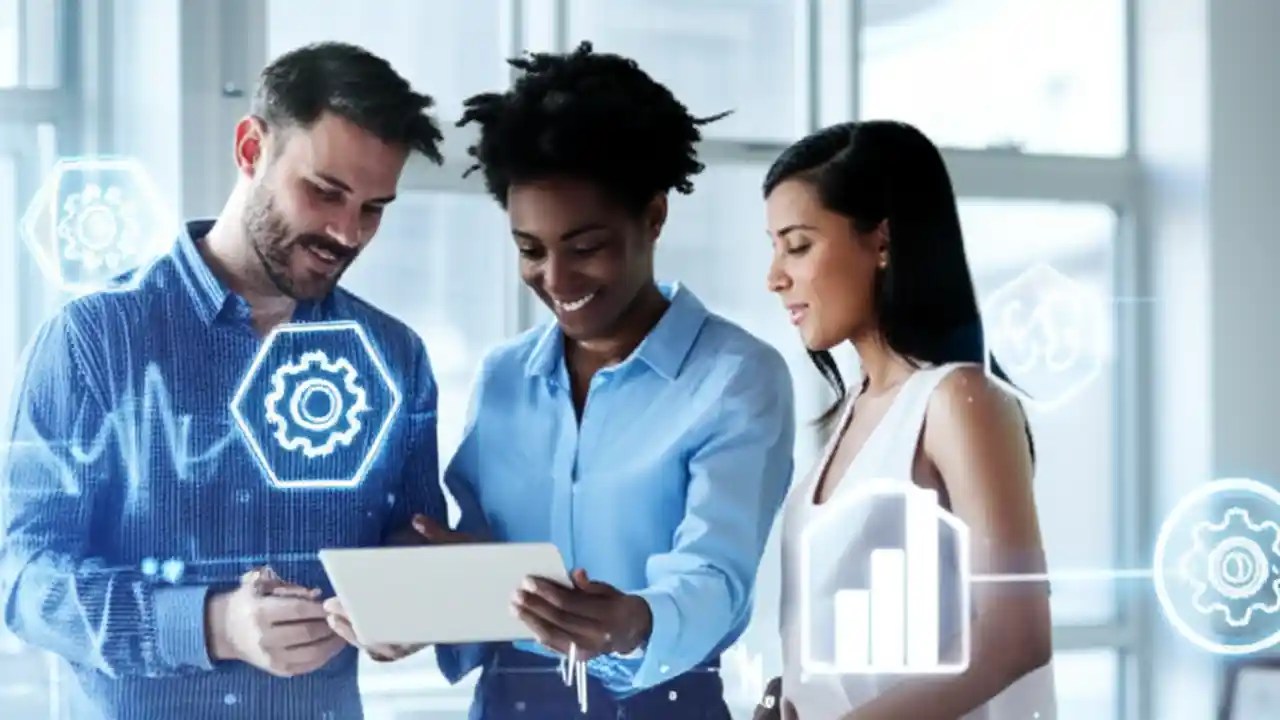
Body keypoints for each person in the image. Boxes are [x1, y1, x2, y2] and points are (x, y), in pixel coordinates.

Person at [341, 41, 795, 719]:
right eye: (530, 250)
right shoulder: (502, 380)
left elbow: (715, 574)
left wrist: (634, 620)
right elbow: (484, 555)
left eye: (586, 248)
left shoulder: (735, 378)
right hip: (509, 704)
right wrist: (419, 605)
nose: (555, 280)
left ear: (654, 215)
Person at [0, 42, 447, 719]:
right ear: (249, 148)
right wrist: (211, 626)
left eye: (373, 207)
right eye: (324, 192)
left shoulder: (396, 357)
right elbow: (24, 580)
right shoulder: (94, 341)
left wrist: (407, 602)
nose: (346, 233)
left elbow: (412, 537)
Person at [764, 121, 1057, 719]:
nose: (775, 276)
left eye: (797, 245)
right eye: (774, 247)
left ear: (882, 241)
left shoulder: (957, 401)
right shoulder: (850, 412)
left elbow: (1016, 631)